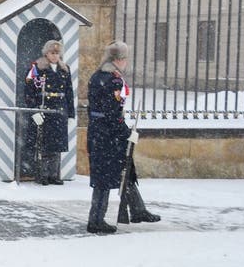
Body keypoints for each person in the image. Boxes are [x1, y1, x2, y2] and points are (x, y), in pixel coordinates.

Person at [86, 40, 161, 234]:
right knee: (105, 178)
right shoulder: (114, 80)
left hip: (98, 132)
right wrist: (126, 132)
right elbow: (112, 113)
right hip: (109, 135)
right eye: (125, 58)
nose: (126, 62)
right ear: (119, 59)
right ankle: (95, 219)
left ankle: (137, 210)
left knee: (125, 170)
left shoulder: (97, 76)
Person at [24, 39, 75, 185]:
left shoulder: (65, 69)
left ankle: (54, 174)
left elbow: (69, 92)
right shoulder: (36, 68)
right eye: (52, 53)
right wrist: (34, 110)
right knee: (43, 145)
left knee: (57, 146)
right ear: (46, 53)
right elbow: (29, 91)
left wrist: (71, 113)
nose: (55, 56)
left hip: (59, 110)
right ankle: (42, 174)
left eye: (57, 53)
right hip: (44, 109)